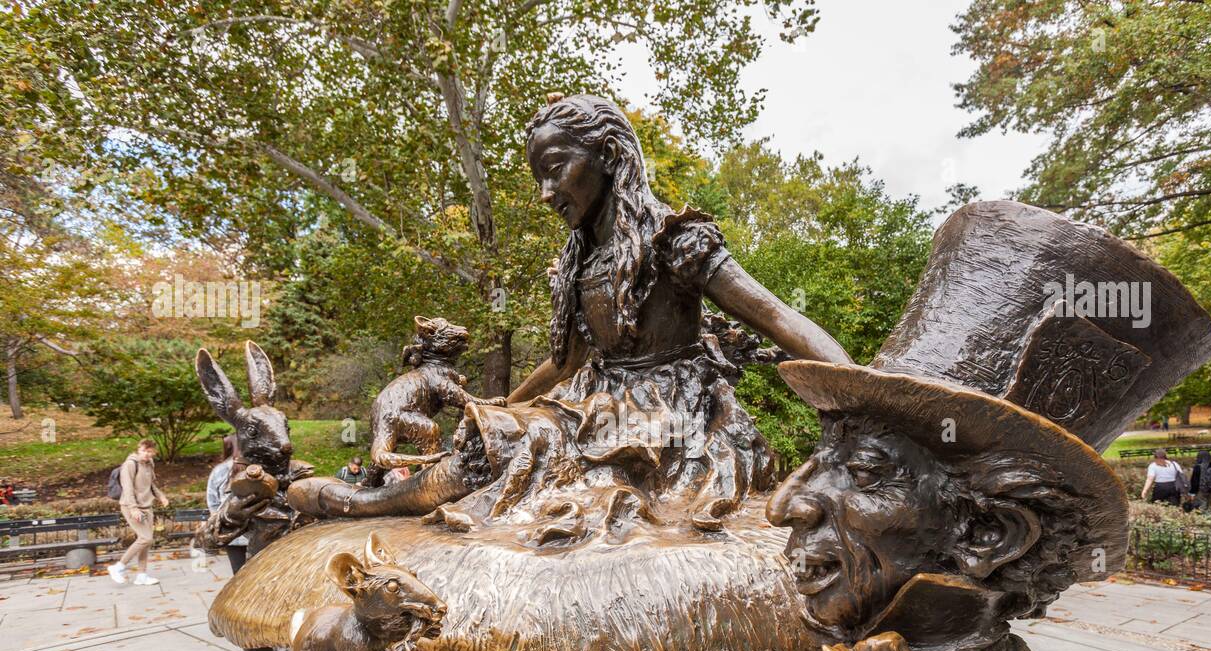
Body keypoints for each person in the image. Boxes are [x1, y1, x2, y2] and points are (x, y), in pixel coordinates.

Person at [288, 93, 851, 529]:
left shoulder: (675, 240)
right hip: (592, 400)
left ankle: (366, 503)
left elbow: (775, 316)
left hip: (669, 413)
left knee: (518, 443)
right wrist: (496, 405)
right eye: (538, 177)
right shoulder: (580, 260)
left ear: (607, 157)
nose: (544, 192)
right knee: (493, 434)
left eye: (556, 168)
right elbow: (564, 365)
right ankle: (373, 501)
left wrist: (864, 398)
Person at [107, 439, 169, 586]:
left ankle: (142, 575)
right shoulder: (130, 464)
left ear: (153, 452)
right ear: (139, 449)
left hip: (147, 507)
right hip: (131, 507)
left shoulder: (150, 464)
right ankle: (118, 567)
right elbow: (127, 488)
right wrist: (133, 508)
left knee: (146, 542)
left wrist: (161, 496)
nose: (147, 454)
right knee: (145, 539)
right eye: (144, 451)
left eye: (150, 452)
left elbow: (151, 484)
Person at [206, 435, 250, 575]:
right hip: (256, 532)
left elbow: (212, 502)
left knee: (238, 574)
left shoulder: (219, 470)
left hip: (231, 531)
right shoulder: (258, 468)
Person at [1188, 449, 1211, 513]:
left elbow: (1194, 481)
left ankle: (1204, 521)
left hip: (1201, 490)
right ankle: (1210, 519)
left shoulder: (1198, 467)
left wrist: (1192, 493)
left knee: (1201, 508)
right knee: (1208, 506)